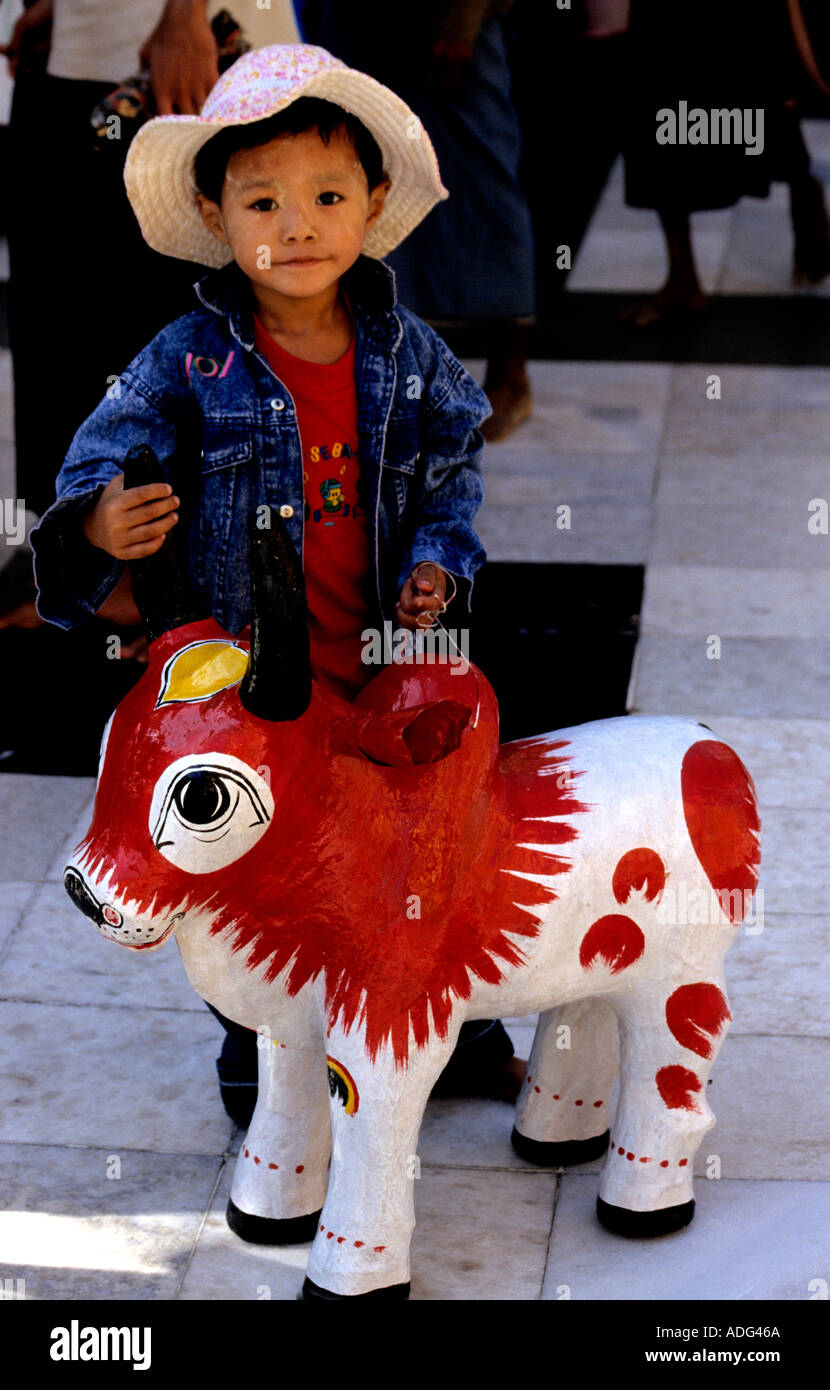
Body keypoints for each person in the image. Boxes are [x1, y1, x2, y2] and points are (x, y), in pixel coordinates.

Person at [29, 43, 526, 1115]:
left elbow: (453, 473)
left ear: (373, 203)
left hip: (387, 662)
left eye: (325, 195)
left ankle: (455, 1016)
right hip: (254, 682)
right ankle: (259, 1035)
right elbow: (92, 458)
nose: (294, 225)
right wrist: (102, 519)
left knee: (417, 841)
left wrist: (439, 561)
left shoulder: (411, 357)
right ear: (214, 215)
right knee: (254, 856)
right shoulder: (182, 358)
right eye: (260, 200)